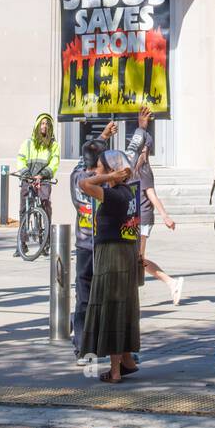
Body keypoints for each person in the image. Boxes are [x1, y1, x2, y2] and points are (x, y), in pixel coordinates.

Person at [77, 149, 142, 383]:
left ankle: (115, 371)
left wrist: (108, 177)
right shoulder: (129, 192)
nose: (96, 170)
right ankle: (126, 360)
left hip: (112, 255)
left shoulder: (115, 194)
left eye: (99, 166)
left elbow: (85, 184)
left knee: (112, 306)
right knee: (121, 306)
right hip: (125, 252)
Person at [124, 105, 182, 306]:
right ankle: (169, 283)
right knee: (137, 259)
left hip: (143, 217)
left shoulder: (144, 170)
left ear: (145, 149)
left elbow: (151, 194)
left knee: (137, 259)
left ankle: (170, 282)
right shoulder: (132, 167)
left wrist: (165, 215)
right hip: (134, 217)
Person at [69, 122, 117, 363]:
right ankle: (113, 348)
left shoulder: (76, 177)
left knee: (83, 299)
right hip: (102, 246)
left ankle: (82, 348)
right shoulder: (103, 183)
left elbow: (86, 157)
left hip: (83, 244)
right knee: (108, 299)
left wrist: (102, 137)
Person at [16, 112, 60, 227]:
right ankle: (22, 240)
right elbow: (20, 159)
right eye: (42, 123)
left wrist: (42, 175)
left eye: (47, 124)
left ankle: (46, 237)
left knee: (45, 204)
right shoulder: (28, 143)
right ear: (37, 125)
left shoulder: (53, 145)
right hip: (28, 178)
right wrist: (26, 174)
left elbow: (54, 163)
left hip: (44, 180)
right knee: (23, 209)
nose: (44, 126)